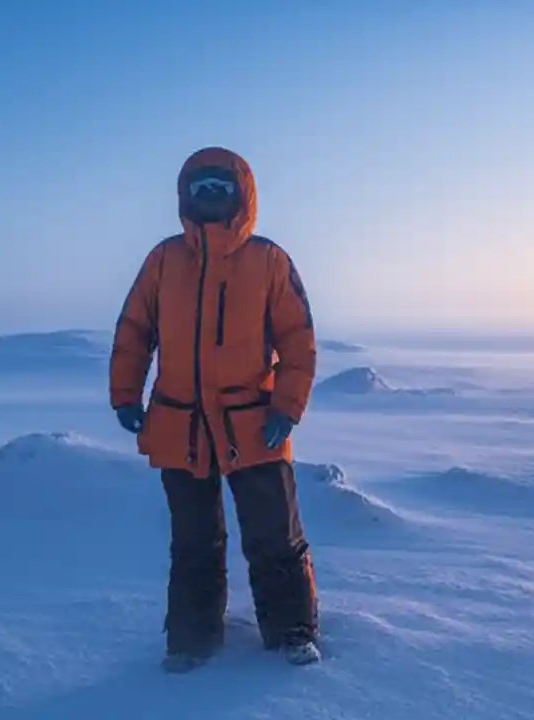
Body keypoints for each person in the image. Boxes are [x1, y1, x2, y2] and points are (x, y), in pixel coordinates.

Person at [109, 147, 320, 672]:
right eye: (199, 188)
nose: (208, 197)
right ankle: (191, 640)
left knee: (274, 535)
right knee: (195, 542)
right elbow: (135, 331)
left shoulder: (269, 261)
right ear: (184, 196)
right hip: (180, 425)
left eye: (218, 187)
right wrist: (125, 394)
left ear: (241, 194)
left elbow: (298, 342)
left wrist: (287, 409)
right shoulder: (163, 261)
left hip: (255, 425)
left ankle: (293, 631)